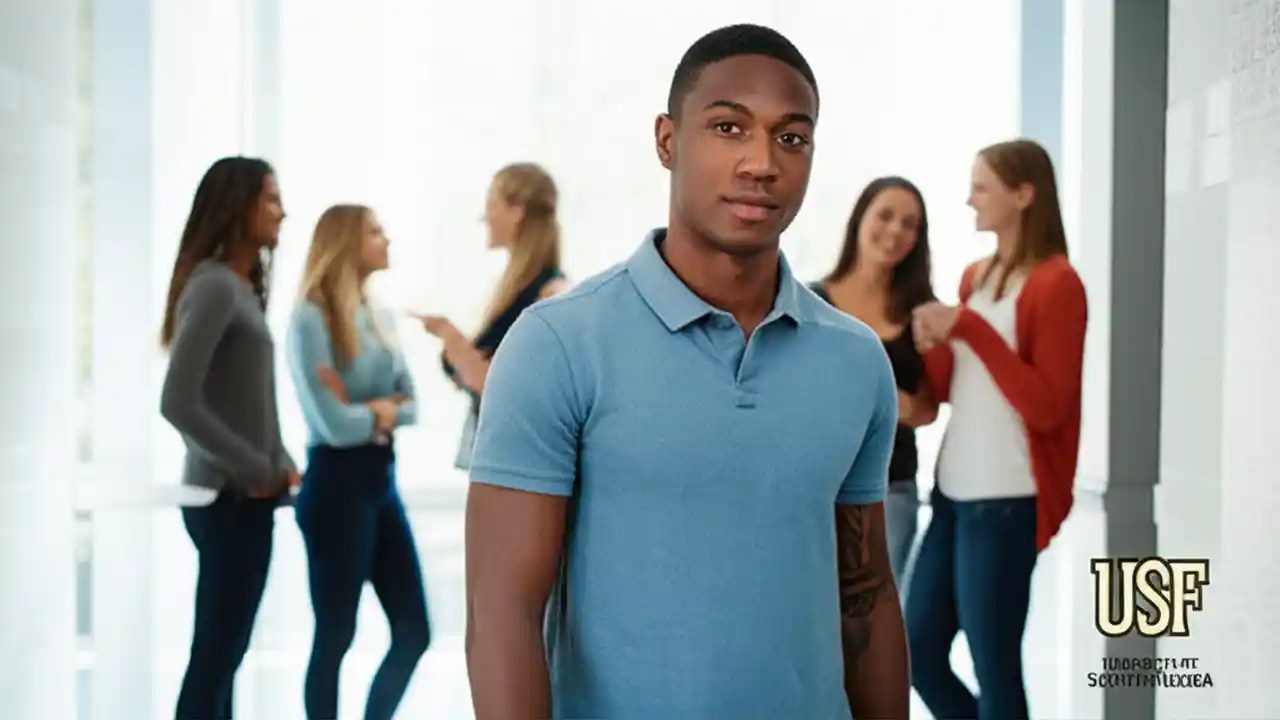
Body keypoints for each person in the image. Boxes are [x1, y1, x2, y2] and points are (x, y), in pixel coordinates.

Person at [464, 24, 909, 720]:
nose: (761, 162)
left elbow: (867, 599)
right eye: (729, 128)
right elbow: (501, 614)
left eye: (791, 137)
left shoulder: (855, 361)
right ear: (667, 140)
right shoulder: (558, 343)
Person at [907, 138, 1087, 719]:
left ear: (1023, 194)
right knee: (919, 654)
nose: (968, 199)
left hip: (1006, 501)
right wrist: (932, 339)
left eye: (982, 186)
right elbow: (957, 386)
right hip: (953, 496)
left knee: (996, 669)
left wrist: (968, 329)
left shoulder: (1059, 284)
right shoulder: (974, 277)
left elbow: (1046, 408)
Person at [159, 156, 299, 720]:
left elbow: (251, 403)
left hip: (248, 500)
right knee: (215, 661)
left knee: (224, 659)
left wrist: (281, 459)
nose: (281, 211)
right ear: (237, 206)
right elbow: (177, 402)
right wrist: (256, 469)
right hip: (228, 502)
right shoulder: (215, 286)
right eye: (269, 198)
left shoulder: (240, 288)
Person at [287, 204, 430, 720]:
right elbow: (334, 425)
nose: (386, 238)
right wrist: (378, 413)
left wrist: (369, 411)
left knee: (415, 631)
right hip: (334, 489)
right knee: (335, 636)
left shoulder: (381, 317)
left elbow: (412, 402)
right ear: (346, 242)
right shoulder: (309, 317)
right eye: (375, 231)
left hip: (380, 485)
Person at [811, 176, 939, 588]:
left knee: (878, 619)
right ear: (859, 219)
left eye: (910, 224)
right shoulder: (810, 304)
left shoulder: (922, 313)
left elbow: (928, 409)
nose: (896, 231)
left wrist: (903, 407)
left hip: (892, 489)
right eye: (885, 215)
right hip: (818, 486)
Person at [414, 162, 569, 469]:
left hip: (520, 464)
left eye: (491, 205)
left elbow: (502, 389)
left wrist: (449, 336)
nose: (484, 217)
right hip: (498, 457)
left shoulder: (552, 294)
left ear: (517, 212)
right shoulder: (512, 289)